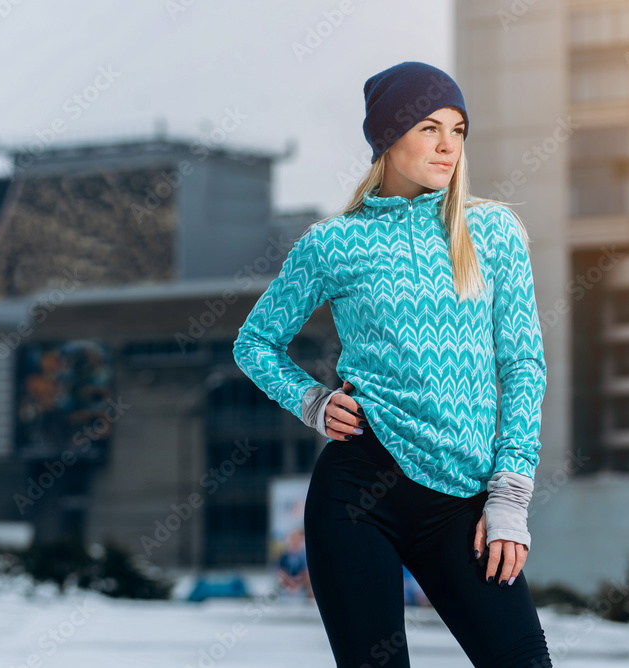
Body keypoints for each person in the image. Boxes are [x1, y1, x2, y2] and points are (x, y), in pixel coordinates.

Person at [233, 61, 552, 667]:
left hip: (464, 504)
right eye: (429, 127)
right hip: (358, 495)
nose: (447, 146)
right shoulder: (334, 243)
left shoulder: (492, 231)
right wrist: (313, 401)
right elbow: (254, 342)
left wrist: (509, 495)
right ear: (387, 136)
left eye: (458, 130)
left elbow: (523, 368)